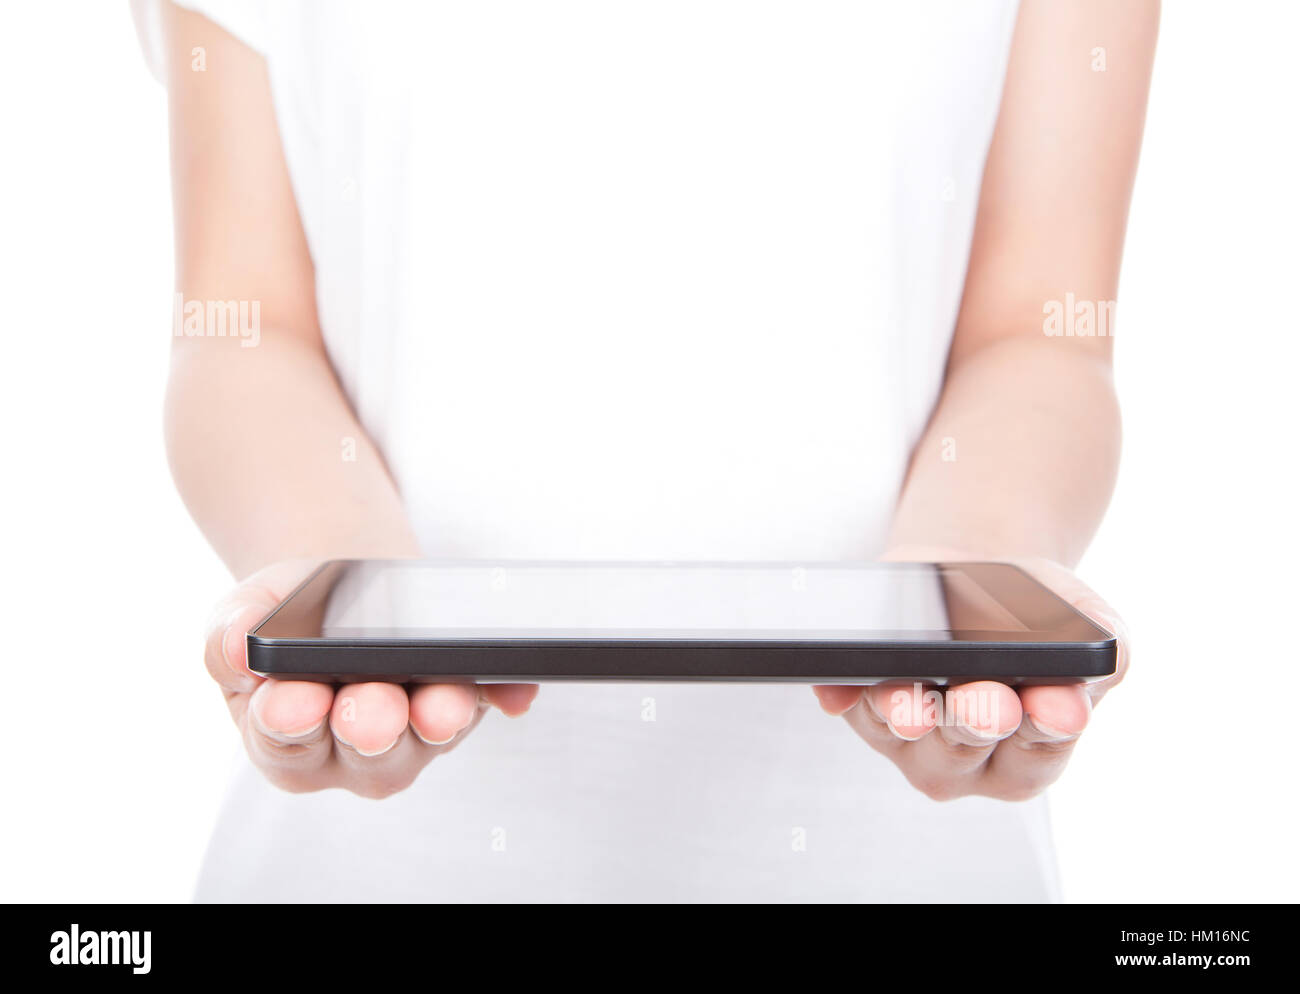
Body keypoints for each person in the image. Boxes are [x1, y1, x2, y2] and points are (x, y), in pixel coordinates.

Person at [143, 0, 1154, 901]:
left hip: (916, 870)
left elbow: (1038, 329)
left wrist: (974, 561)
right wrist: (335, 562)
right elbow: (245, 321)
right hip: (354, 872)